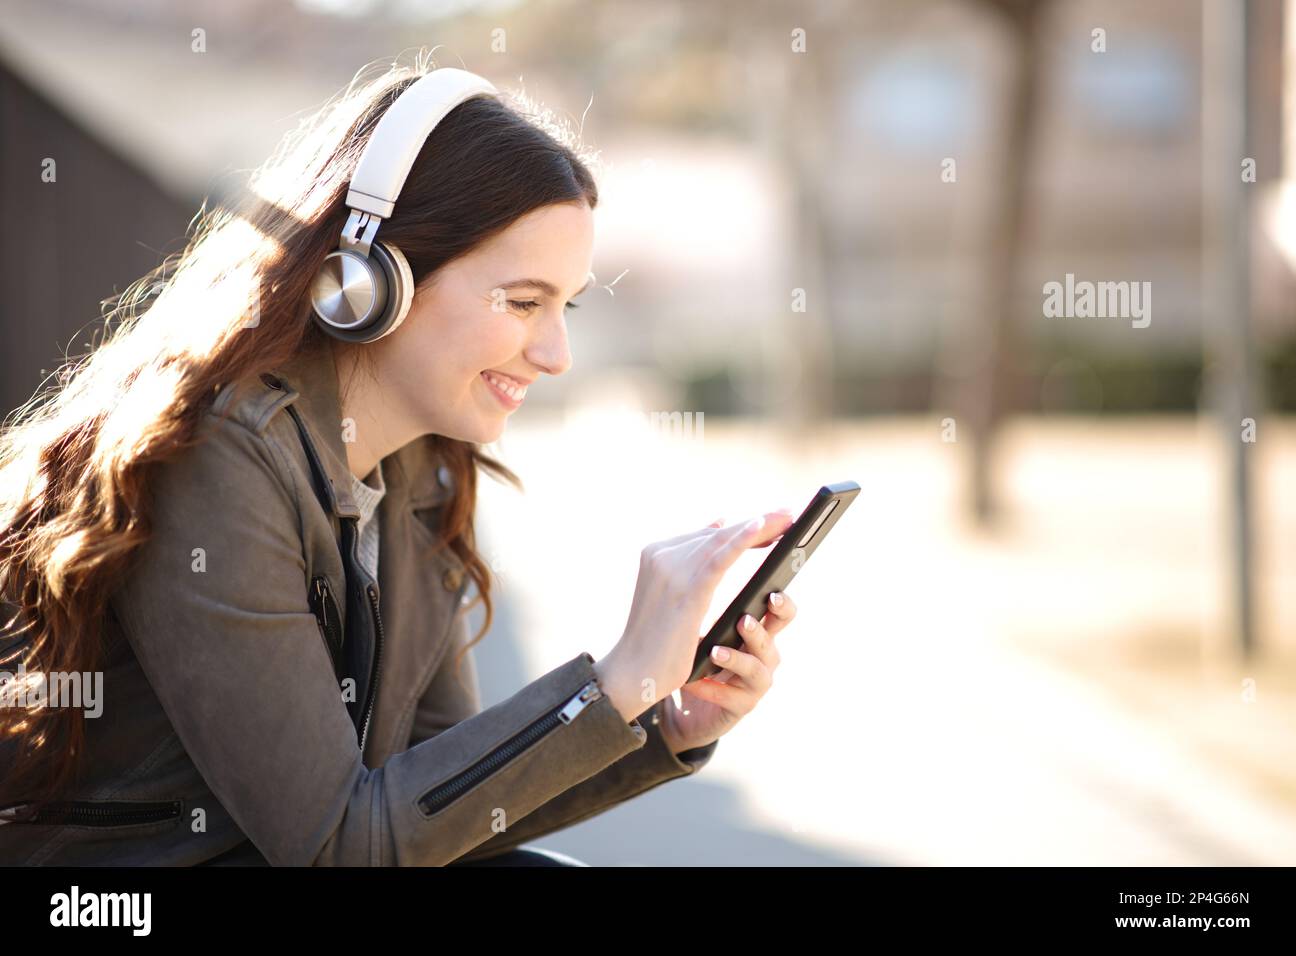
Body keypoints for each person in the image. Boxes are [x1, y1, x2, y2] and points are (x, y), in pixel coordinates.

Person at [0, 55, 797, 866]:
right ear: (371, 279)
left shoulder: (423, 470)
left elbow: (435, 815)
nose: (557, 353)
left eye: (566, 305)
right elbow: (343, 846)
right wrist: (614, 681)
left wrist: (663, 722)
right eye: (523, 302)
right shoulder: (215, 461)